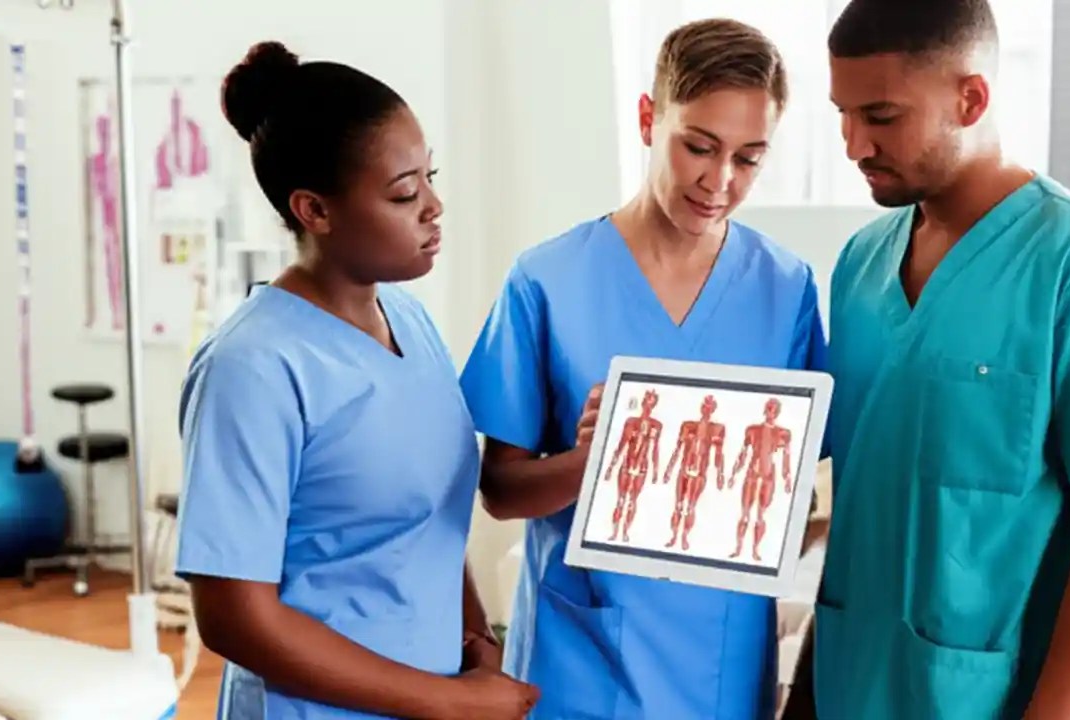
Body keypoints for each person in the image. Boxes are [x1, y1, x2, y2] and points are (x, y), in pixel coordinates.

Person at [460, 18, 828, 719]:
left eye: (749, 158)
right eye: (699, 145)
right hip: (581, 657)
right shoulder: (548, 280)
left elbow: (797, 490)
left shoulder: (785, 287)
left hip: (720, 658)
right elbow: (499, 491)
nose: (719, 181)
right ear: (647, 118)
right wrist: (594, 461)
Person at [173, 41, 540, 720]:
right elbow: (231, 618)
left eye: (431, 177)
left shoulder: (409, 320)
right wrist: (450, 702)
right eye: (404, 193)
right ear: (314, 209)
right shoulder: (252, 367)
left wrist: (473, 635)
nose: (434, 206)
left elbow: (424, 514)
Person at [809, 1, 1070, 718]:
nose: (853, 145)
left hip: (994, 696)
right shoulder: (859, 265)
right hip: (854, 682)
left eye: (880, 116)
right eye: (842, 114)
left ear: (971, 99)